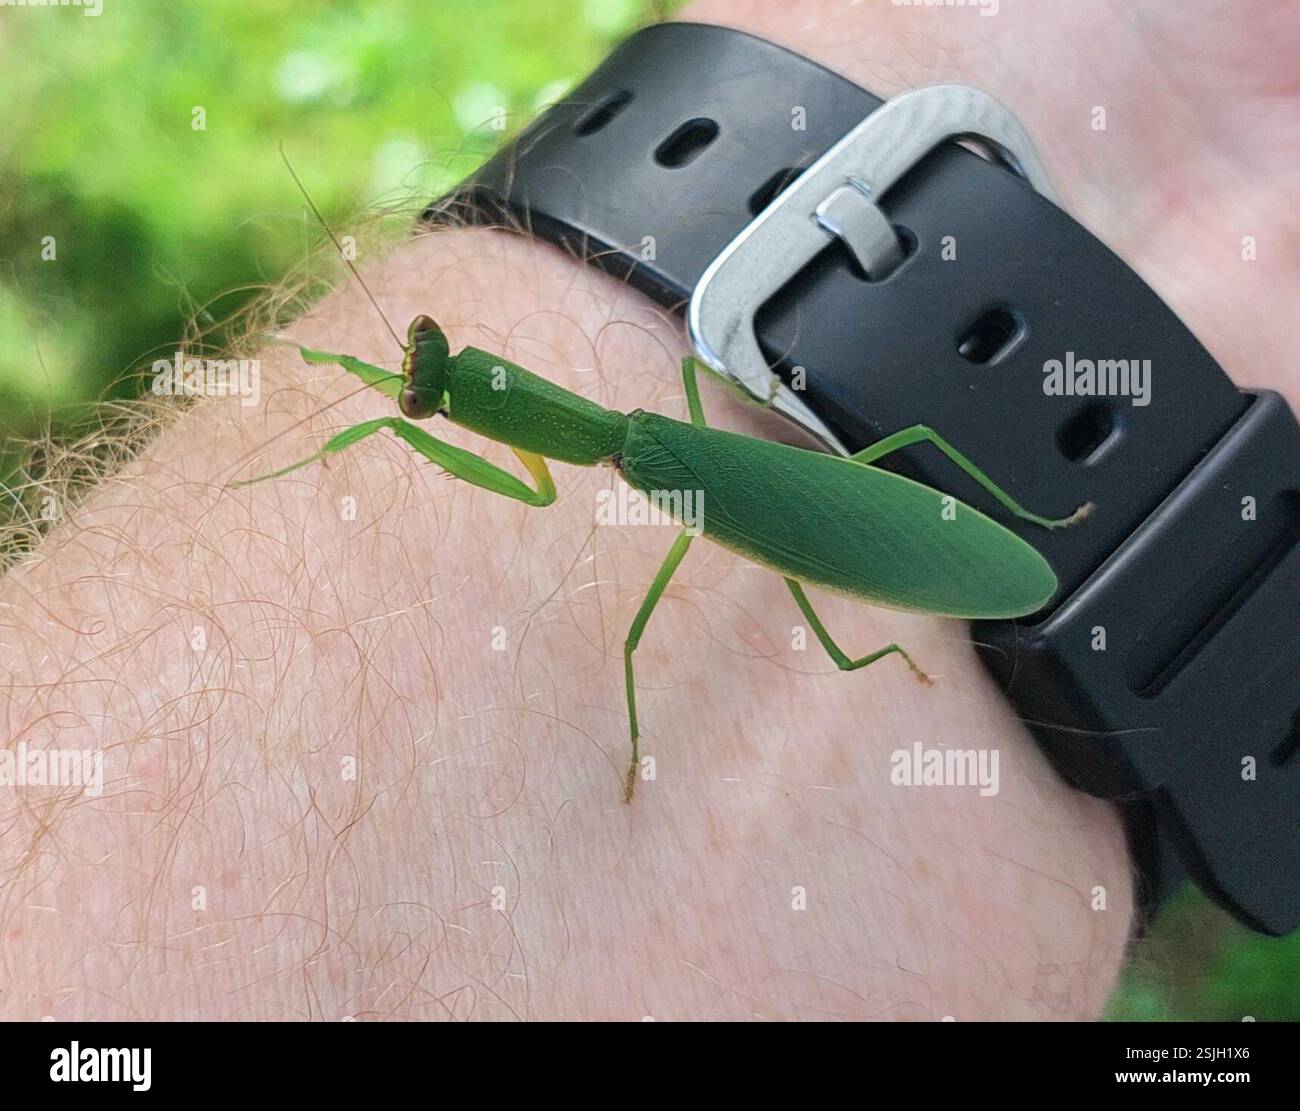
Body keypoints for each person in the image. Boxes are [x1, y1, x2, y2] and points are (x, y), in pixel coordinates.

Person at [3, 0, 1295, 1019]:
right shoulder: (629, 442)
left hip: (777, 490)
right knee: (868, 512)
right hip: (753, 475)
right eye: (438, 387)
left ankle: (1042, 542)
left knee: (770, 593)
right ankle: (1053, 536)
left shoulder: (616, 455)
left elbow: (510, 453)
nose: (425, 389)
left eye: (435, 380)